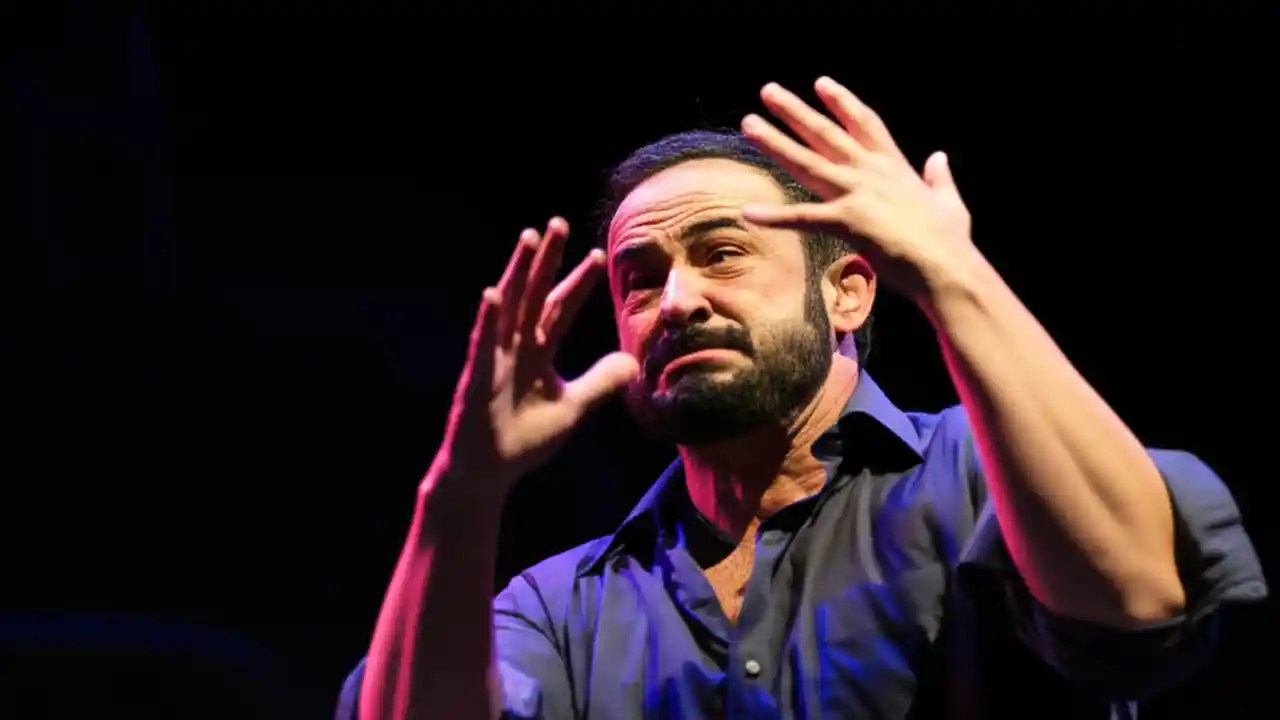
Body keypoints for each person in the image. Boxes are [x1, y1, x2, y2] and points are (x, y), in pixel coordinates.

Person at [335, 77, 1267, 719]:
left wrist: (951, 274)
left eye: (723, 253)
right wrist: (462, 490)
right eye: (638, 278)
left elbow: (1142, 601)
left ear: (848, 291)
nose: (678, 299)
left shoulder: (983, 478)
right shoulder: (563, 606)